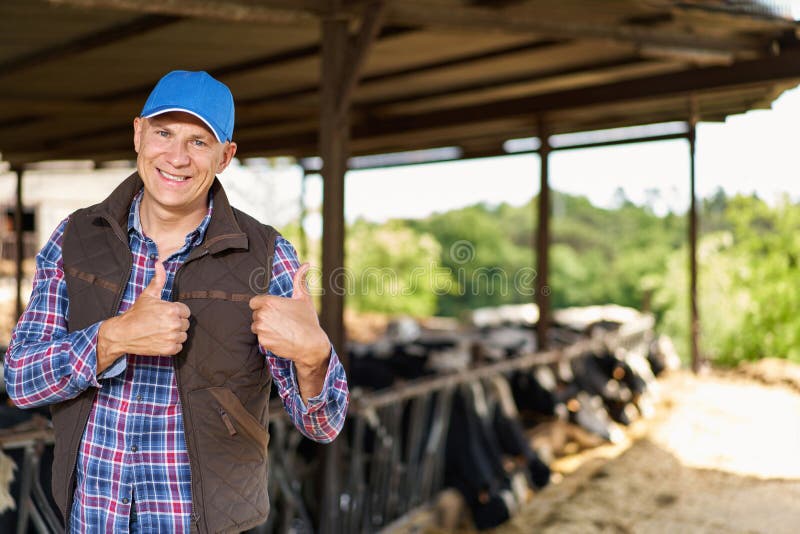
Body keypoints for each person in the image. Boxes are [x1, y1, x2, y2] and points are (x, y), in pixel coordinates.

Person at [3, 70, 349, 533]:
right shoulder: (75, 237)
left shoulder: (266, 256)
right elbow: (21, 381)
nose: (177, 157)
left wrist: (314, 359)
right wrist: (113, 338)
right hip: (92, 518)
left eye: (199, 142)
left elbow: (322, 427)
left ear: (225, 157)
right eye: (164, 133)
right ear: (138, 134)